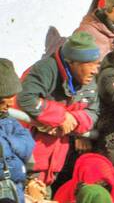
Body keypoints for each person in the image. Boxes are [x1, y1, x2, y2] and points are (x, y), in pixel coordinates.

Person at [18, 31, 101, 188]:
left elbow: (94, 112)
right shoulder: (46, 70)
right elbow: (25, 98)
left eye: (97, 64)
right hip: (26, 162)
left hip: (54, 165)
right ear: (73, 62)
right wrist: (61, 117)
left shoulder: (89, 81)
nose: (95, 70)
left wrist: (75, 120)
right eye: (90, 64)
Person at [0, 63, 36, 203]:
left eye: (12, 97)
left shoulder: (7, 119)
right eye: (6, 98)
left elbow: (28, 143)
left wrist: (8, 143)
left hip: (14, 193)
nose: (10, 103)